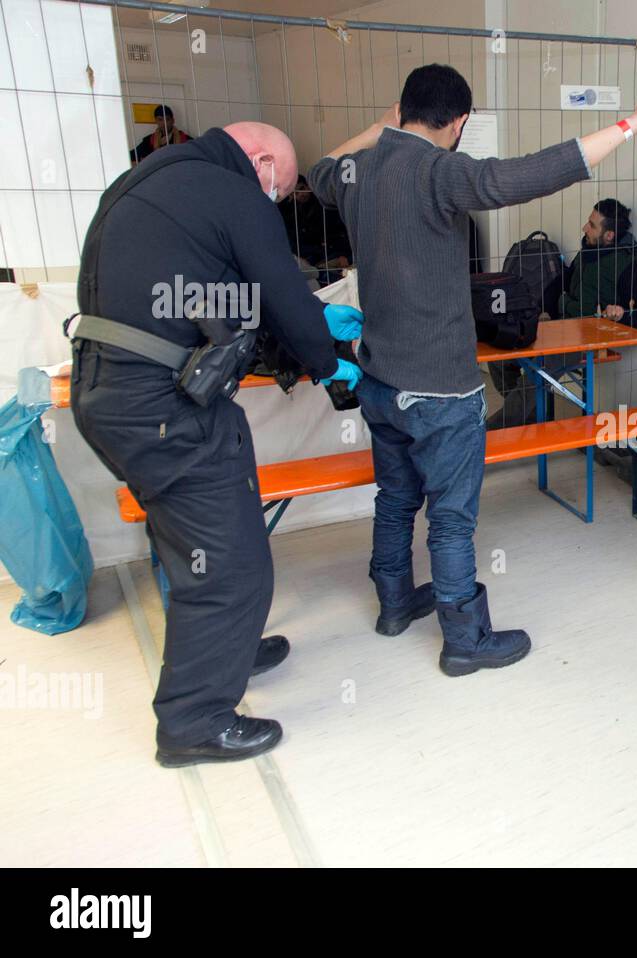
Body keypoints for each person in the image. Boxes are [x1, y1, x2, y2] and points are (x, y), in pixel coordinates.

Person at [308, 66, 637, 675]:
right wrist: (630, 124)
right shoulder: (442, 171)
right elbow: (531, 173)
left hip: (379, 383)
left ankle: (395, 604)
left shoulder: (360, 169)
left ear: (401, 109)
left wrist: (379, 126)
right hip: (441, 389)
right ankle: (464, 640)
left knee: (396, 499)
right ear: (459, 124)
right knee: (452, 518)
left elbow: (321, 166)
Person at [71, 121, 363, 767]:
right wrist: (326, 357)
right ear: (260, 163)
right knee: (231, 565)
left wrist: (298, 326)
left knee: (195, 544)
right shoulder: (232, 194)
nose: (277, 202)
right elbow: (280, 295)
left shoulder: (153, 180)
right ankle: (192, 723)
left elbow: (219, 296)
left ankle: (226, 650)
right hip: (161, 409)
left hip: (110, 396)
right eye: (281, 190)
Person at [488, 197, 637, 429]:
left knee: (537, 371)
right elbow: (560, 284)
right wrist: (540, 311)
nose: (584, 228)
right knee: (499, 354)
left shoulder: (630, 264)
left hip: (589, 338)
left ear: (609, 235)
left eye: (592, 225)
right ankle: (530, 414)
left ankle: (487, 434)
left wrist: (619, 314)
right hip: (563, 328)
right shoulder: (588, 252)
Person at [280, 175, 353, 284]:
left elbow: (340, 230)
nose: (301, 194)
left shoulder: (323, 205)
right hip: (313, 254)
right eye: (295, 192)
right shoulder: (293, 211)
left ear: (308, 186)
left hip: (333, 251)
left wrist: (343, 254)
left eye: (302, 188)